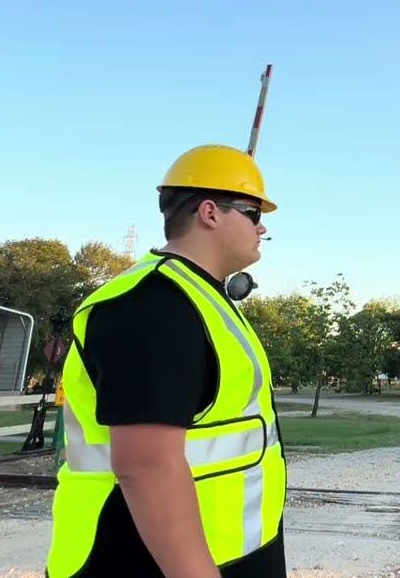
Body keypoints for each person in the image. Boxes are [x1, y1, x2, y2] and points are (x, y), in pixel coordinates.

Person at [47, 145, 287, 578]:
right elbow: (146, 465)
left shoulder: (203, 298)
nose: (262, 226)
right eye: (252, 212)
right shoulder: (150, 304)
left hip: (230, 552)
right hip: (137, 562)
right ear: (210, 213)